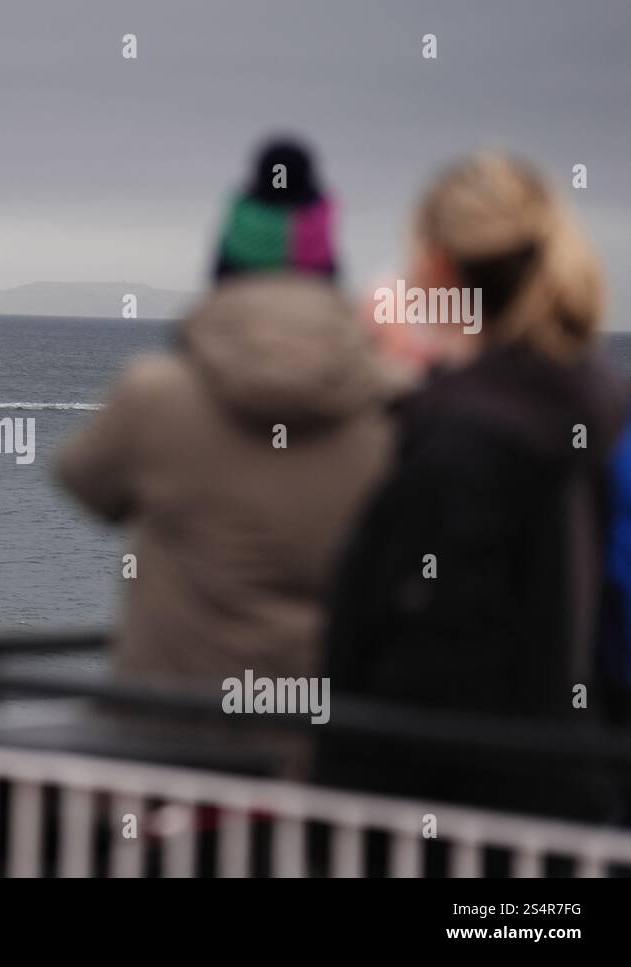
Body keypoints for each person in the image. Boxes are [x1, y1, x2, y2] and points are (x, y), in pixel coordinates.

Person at [314, 151, 626, 821]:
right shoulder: (596, 410)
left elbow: (418, 660)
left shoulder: (463, 442)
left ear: (435, 265)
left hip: (455, 821)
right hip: (571, 807)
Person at [57, 138, 395, 712]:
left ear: (225, 260)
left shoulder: (154, 394)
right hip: (327, 753)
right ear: (329, 268)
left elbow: (81, 480)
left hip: (168, 739)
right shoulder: (393, 405)